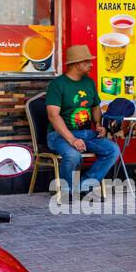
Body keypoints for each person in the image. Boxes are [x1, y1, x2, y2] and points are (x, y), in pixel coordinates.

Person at [45, 44, 120, 194]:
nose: (91, 64)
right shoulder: (57, 84)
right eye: (88, 62)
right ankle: (67, 190)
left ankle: (83, 186)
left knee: (113, 150)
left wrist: (98, 124)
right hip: (60, 135)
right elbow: (53, 115)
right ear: (78, 64)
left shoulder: (89, 82)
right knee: (73, 155)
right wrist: (72, 139)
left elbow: (95, 107)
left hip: (86, 134)